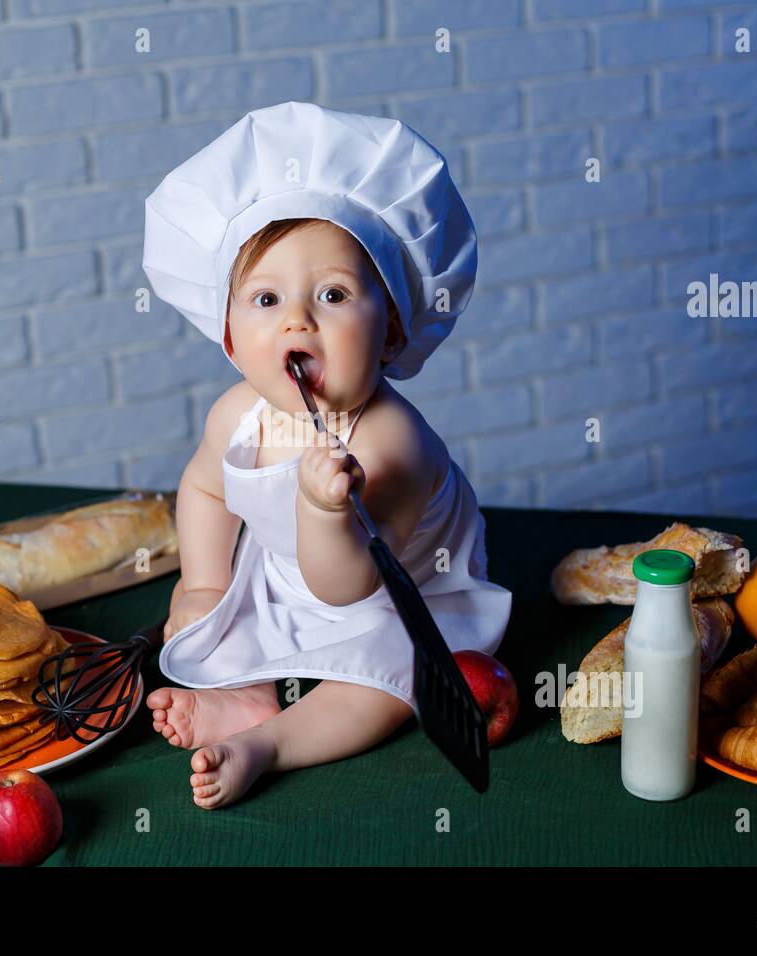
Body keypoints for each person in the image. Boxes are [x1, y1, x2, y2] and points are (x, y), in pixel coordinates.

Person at [140, 101, 513, 809]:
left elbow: (348, 585)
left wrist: (322, 507)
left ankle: (270, 742)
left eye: (333, 294)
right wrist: (205, 585)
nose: (296, 319)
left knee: (387, 680)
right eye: (266, 297)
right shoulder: (235, 416)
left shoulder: (390, 444)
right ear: (228, 339)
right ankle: (245, 697)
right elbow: (205, 491)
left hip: (397, 593)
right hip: (282, 575)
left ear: (394, 334)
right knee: (208, 621)